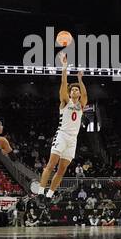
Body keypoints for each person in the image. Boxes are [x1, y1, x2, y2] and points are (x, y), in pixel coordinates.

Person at [33, 52, 87, 199]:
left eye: (77, 90)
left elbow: (86, 95)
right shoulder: (65, 102)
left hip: (73, 140)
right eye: (73, 90)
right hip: (62, 135)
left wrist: (80, 80)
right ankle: (40, 192)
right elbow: (64, 84)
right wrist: (64, 67)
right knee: (51, 165)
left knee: (62, 170)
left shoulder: (81, 105)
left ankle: (49, 195)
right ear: (69, 94)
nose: (75, 90)